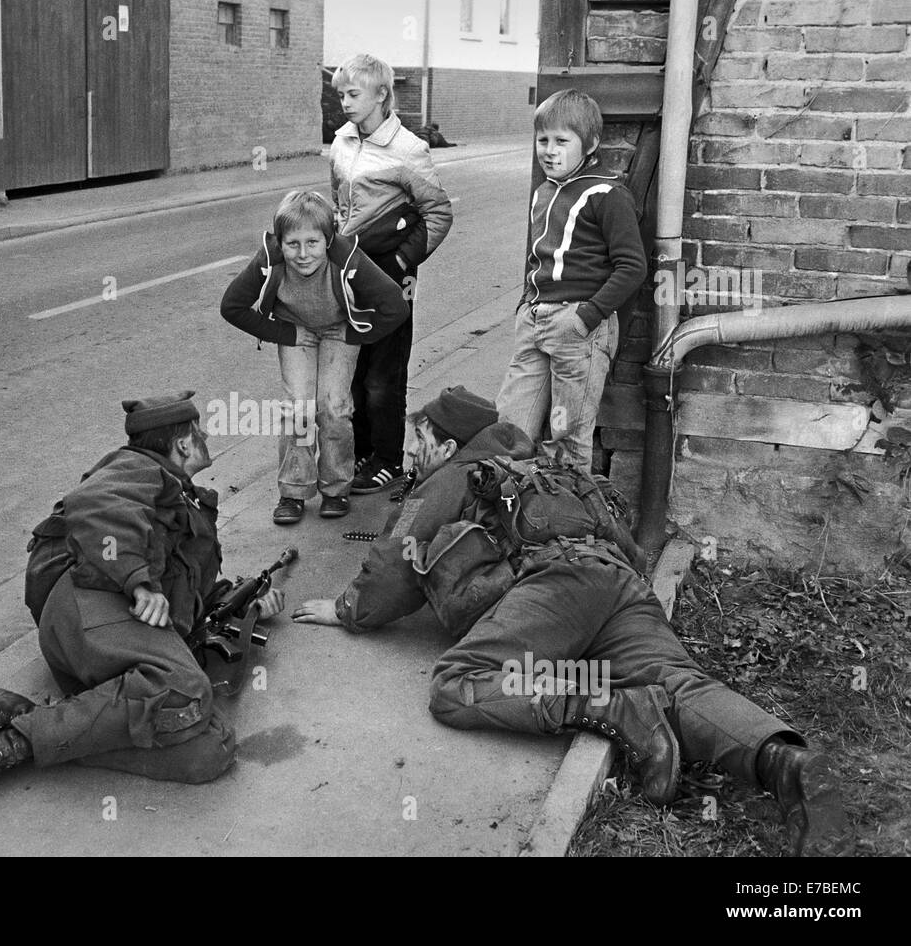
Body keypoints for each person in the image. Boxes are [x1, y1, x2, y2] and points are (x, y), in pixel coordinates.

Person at [293, 385, 853, 856]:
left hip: (555, 586)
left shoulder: (447, 477)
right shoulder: (538, 460)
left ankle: (620, 709)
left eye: (416, 441)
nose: (409, 453)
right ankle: (789, 767)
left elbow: (394, 566)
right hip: (617, 581)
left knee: (455, 685)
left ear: (443, 444)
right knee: (678, 681)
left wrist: (348, 611)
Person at [0, 392, 284, 821]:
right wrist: (139, 583)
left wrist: (247, 605)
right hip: (85, 605)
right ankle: (0, 747)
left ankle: (20, 718)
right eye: (198, 430)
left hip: (120, 643)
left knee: (208, 751)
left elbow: (194, 593)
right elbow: (98, 506)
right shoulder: (137, 467)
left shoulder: (191, 504)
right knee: (186, 688)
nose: (206, 435)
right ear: (184, 443)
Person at [221, 190, 408, 526]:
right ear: (280, 242)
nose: (303, 254)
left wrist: (356, 334)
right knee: (298, 409)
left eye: (313, 243)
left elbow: (395, 305)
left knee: (334, 407)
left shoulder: (348, 257)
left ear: (328, 239)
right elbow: (231, 307)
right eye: (293, 244)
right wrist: (285, 334)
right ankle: (294, 490)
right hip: (296, 331)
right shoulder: (269, 258)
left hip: (339, 330)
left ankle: (336, 487)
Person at [496, 88, 647, 470]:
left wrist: (587, 317)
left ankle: (568, 524)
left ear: (591, 143)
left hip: (576, 330)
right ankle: (517, 516)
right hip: (535, 321)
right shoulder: (544, 192)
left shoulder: (607, 193)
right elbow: (536, 256)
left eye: (562, 141)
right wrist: (525, 305)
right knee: (510, 428)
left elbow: (632, 266)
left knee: (565, 438)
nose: (549, 150)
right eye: (542, 140)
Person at [329, 53, 453, 496]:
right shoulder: (342, 142)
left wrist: (401, 263)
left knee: (384, 373)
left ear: (382, 94)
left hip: (390, 275)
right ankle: (364, 451)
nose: (345, 102)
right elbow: (342, 209)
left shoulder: (409, 149)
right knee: (356, 369)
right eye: (341, 94)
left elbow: (438, 213)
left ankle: (387, 460)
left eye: (354, 94)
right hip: (349, 272)